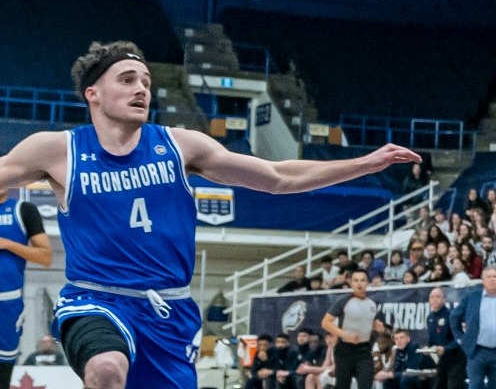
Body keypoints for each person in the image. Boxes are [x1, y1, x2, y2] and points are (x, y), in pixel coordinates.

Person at [0, 41, 418, 389]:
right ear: (93, 93)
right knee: (106, 369)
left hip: (169, 311)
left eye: (145, 81)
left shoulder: (180, 145)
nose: (141, 89)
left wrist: (364, 164)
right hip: (95, 299)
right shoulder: (58, 150)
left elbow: (278, 177)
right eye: (127, 80)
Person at [0, 187, 52, 385]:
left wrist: (8, 244)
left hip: (7, 302)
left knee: (4, 369)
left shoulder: (23, 210)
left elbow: (45, 257)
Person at [322, 269, 381, 389]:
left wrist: (377, 326)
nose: (359, 283)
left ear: (367, 283)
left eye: (362, 280)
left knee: (366, 384)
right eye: (356, 280)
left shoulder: (372, 303)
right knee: (342, 386)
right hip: (344, 350)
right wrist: (344, 334)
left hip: (364, 350)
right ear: (351, 283)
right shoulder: (343, 300)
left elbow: (369, 322)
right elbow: (325, 322)